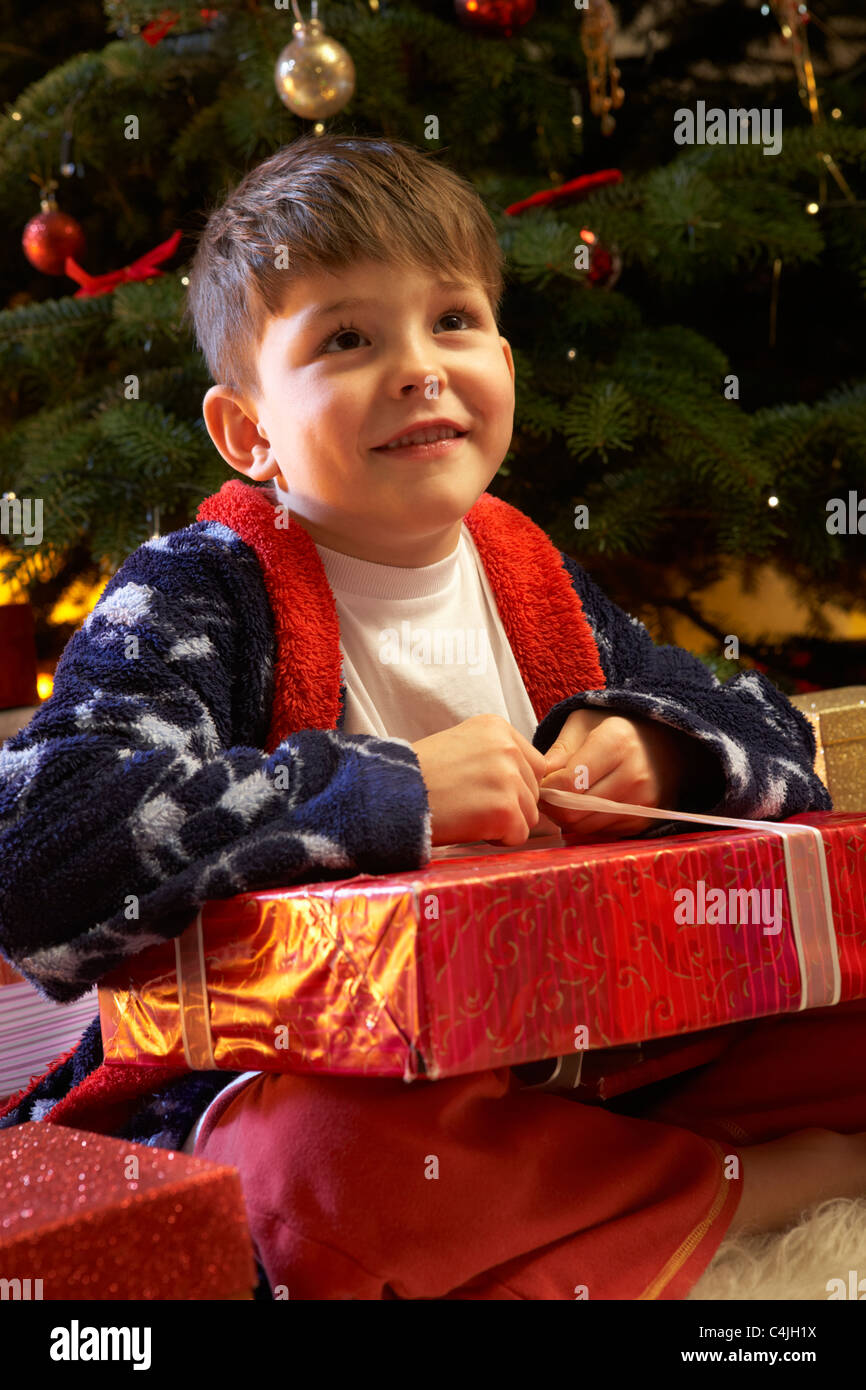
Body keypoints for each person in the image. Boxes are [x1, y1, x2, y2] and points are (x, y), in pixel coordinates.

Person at [1, 133, 863, 1300]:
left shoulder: (530, 574)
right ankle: (752, 1187)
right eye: (347, 339)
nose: (418, 367)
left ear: (503, 358)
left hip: (595, 1058)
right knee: (304, 1177)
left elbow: (770, 732)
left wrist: (661, 746)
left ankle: (591, 1199)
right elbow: (38, 854)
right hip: (337, 1095)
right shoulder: (196, 593)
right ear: (245, 430)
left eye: (451, 321)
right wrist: (384, 788)